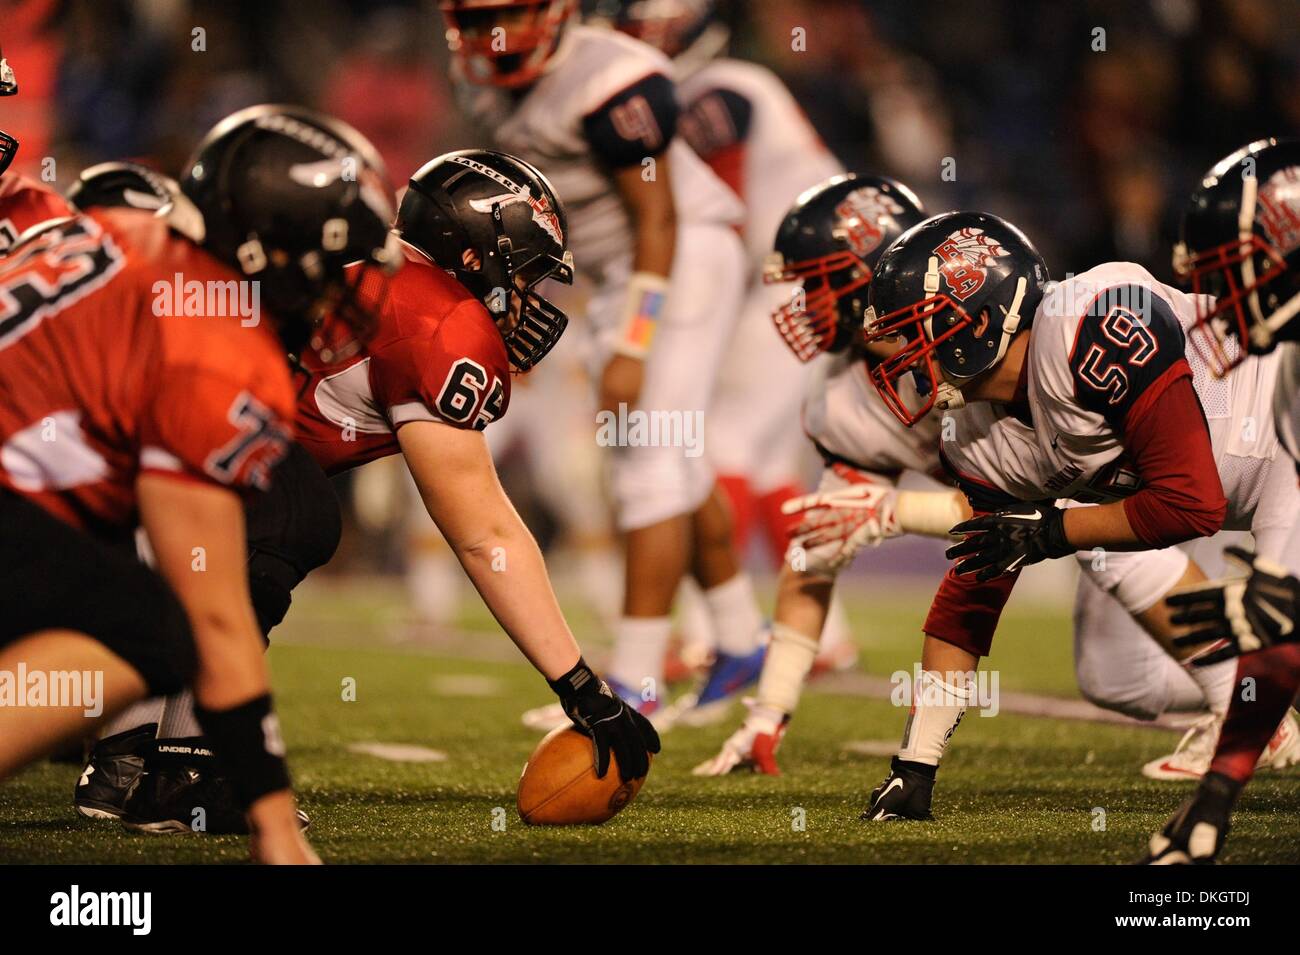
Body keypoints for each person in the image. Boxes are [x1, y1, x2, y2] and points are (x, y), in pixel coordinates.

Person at [74, 148, 661, 833]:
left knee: (261, 500)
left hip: (99, 425)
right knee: (291, 510)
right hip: (130, 435)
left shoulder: (380, 272)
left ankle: (124, 761)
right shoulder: (441, 321)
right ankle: (189, 769)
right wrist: (582, 687)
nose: (531, 298)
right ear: (477, 256)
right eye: (527, 274)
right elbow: (483, 533)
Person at [0, 103, 404, 863]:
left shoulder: (106, 231)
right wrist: (276, 824)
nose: (333, 292)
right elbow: (213, 613)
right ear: (269, 248)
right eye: (326, 263)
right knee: (148, 630)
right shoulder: (215, 345)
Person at [853, 210, 1298, 821]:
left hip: (1286, 432)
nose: (903, 356)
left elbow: (1191, 503)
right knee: (1121, 679)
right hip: (1255, 486)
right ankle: (1250, 698)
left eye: (917, 331)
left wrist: (1054, 530)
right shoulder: (977, 438)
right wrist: (915, 765)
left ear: (978, 323)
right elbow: (973, 588)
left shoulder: (1093, 320)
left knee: (1280, 637)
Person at [442, 0, 768, 724]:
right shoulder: (486, 82)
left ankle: (636, 682)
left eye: (503, 13)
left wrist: (634, 340)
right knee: (671, 461)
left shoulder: (612, 80)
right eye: (469, 16)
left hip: (679, 258)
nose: (485, 33)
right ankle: (742, 638)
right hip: (609, 273)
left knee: (645, 464)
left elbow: (659, 218)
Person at [1144, 137, 1300, 863]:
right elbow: (1281, 618)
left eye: (1233, 276)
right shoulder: (1291, 375)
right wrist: (1216, 797)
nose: (1220, 306)